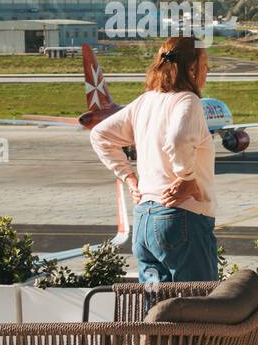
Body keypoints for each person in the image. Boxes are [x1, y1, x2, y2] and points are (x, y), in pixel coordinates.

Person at [90, 35, 218, 283]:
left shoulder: (145, 101)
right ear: (191, 69)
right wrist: (186, 178)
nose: (208, 70)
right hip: (182, 219)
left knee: (155, 312)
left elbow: (100, 135)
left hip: (144, 222)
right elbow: (179, 140)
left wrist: (129, 178)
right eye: (205, 64)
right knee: (199, 307)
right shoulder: (187, 100)